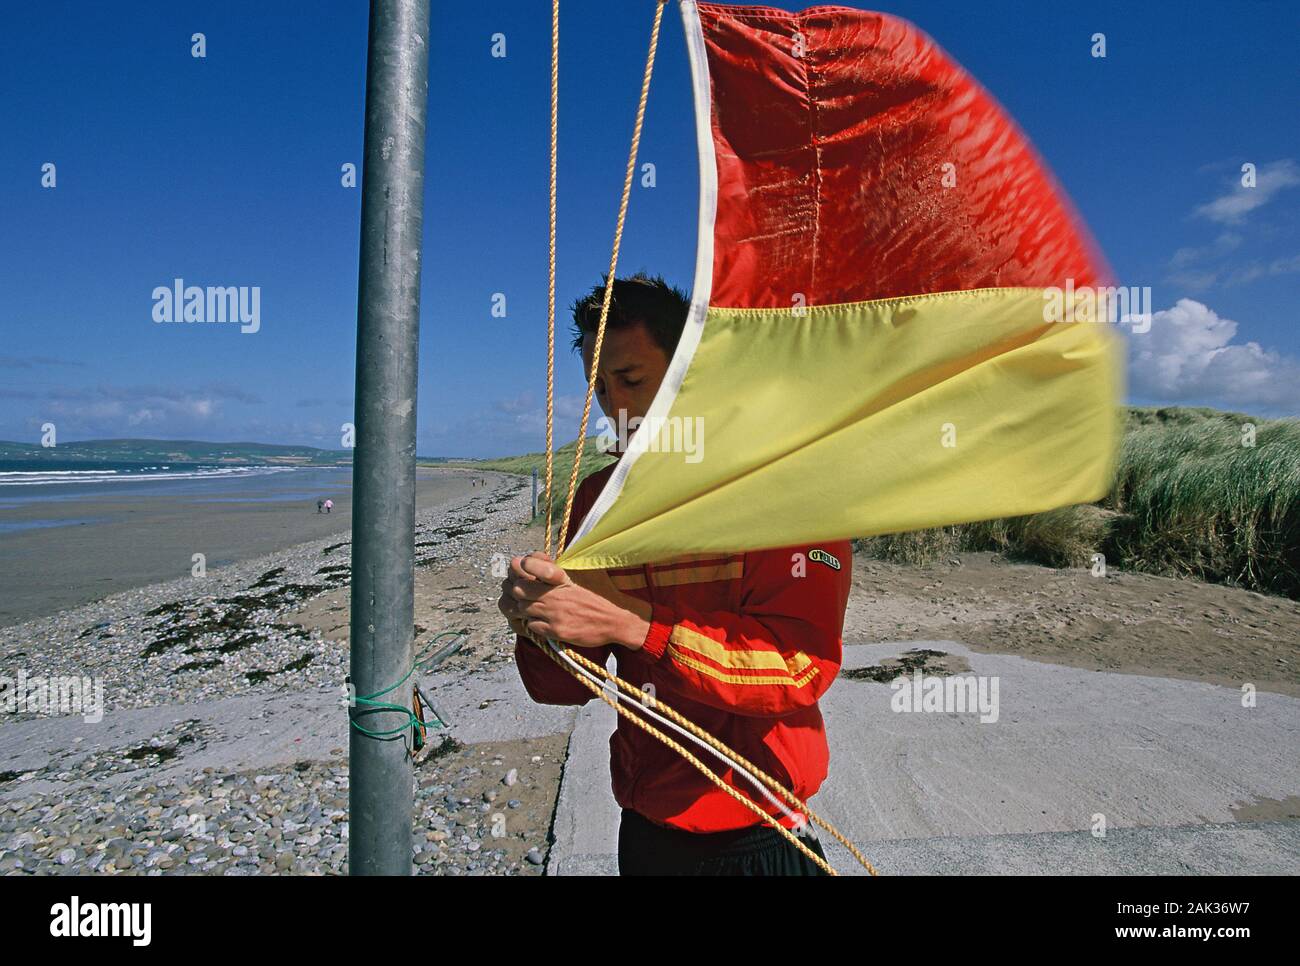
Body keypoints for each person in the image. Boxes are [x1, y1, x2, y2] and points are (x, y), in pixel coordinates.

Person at [499, 273, 852, 875]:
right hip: (645, 831)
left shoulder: (782, 492)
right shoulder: (596, 499)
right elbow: (564, 688)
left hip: (759, 832)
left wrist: (636, 626)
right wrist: (536, 623)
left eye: (631, 379)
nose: (615, 406)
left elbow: (796, 668)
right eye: (599, 387)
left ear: (693, 367)